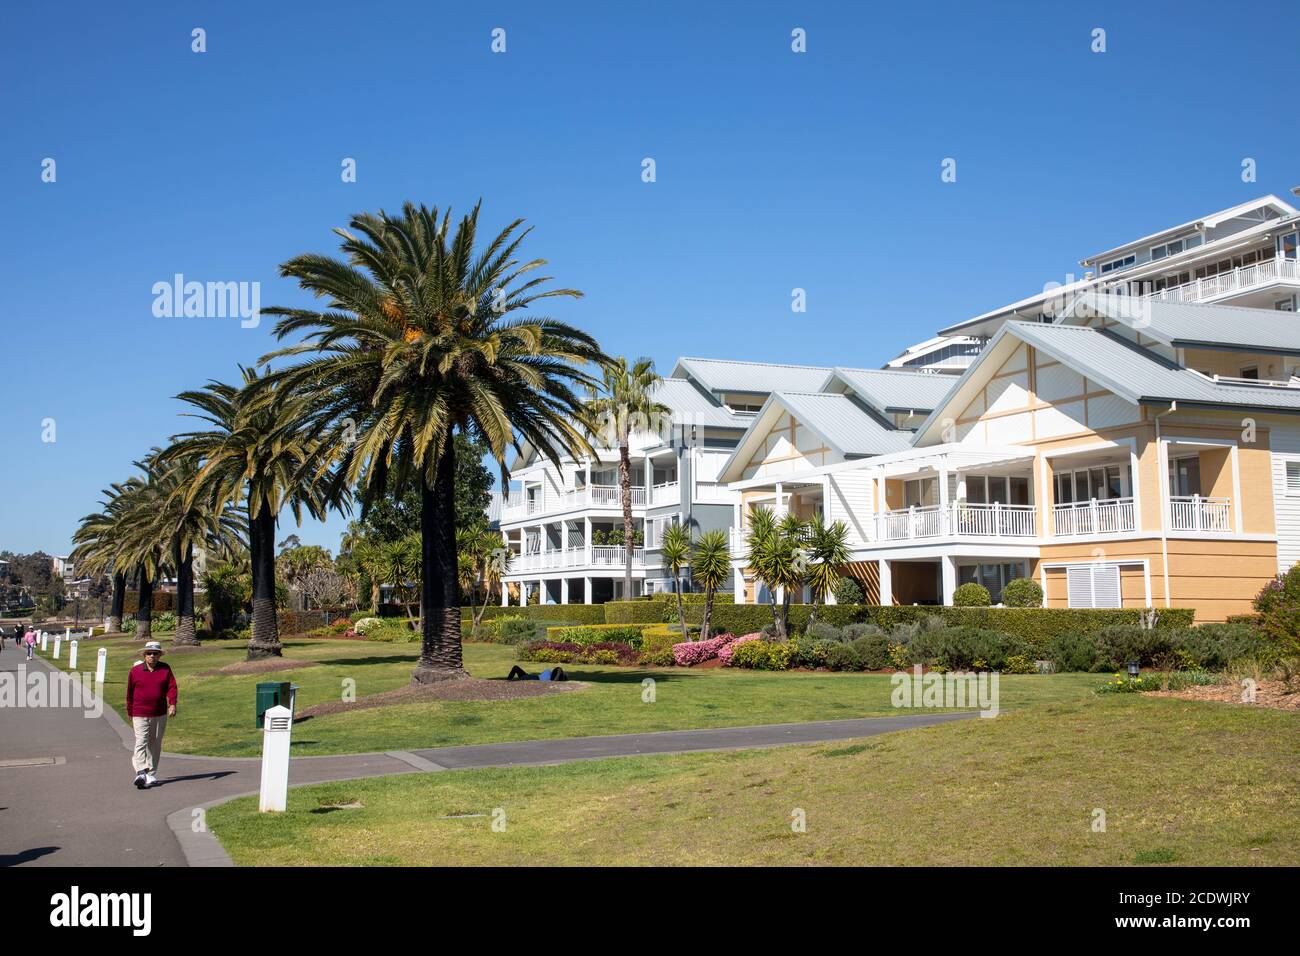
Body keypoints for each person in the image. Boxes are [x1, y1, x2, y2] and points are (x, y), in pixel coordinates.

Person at [125, 641, 177, 789]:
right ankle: (141, 771)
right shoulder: (135, 671)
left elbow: (172, 687)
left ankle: (150, 773)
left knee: (155, 742)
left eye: (155, 653)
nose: (152, 656)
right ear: (144, 655)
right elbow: (129, 693)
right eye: (149, 653)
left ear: (160, 655)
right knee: (141, 741)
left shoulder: (165, 669)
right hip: (139, 712)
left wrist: (172, 703)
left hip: (159, 713)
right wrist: (130, 711)